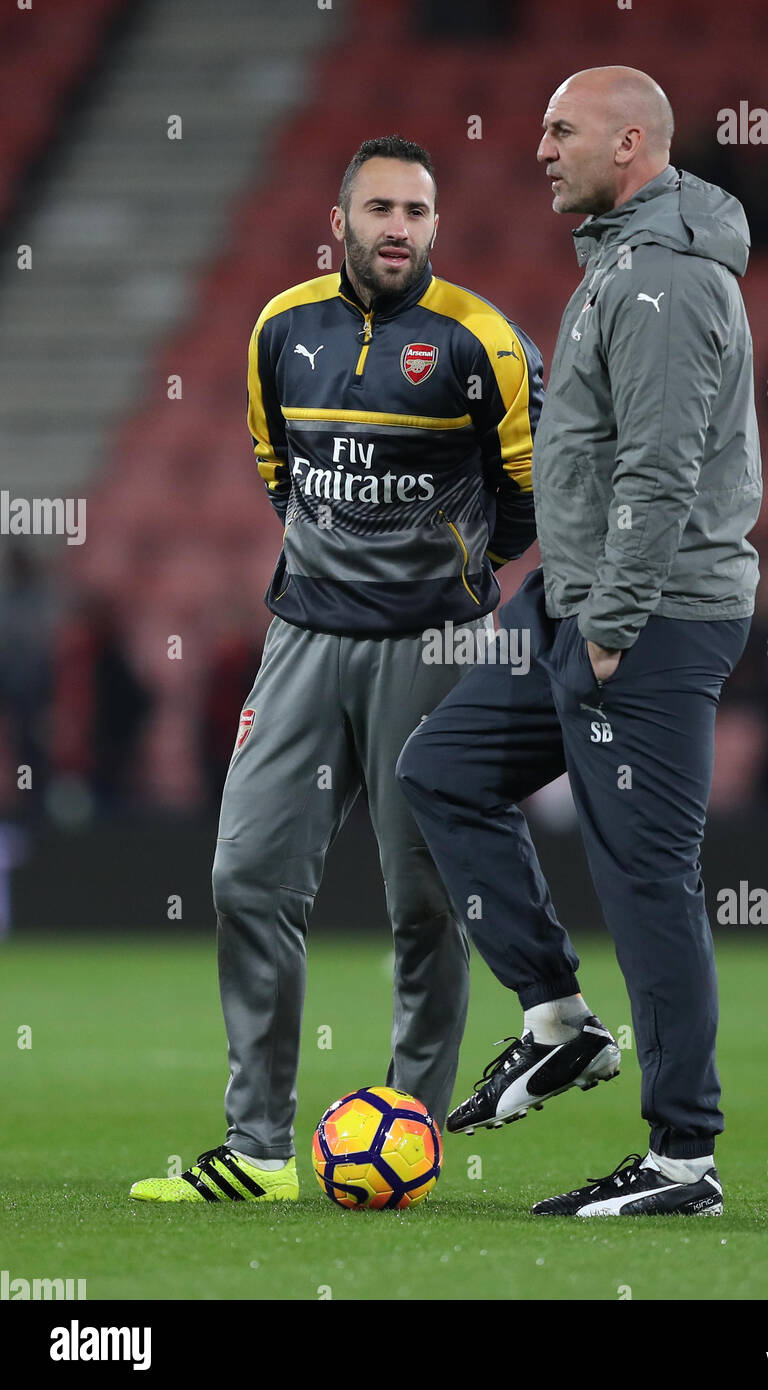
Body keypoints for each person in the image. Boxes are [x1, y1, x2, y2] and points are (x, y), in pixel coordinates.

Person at [131, 135, 543, 1204]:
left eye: (416, 210)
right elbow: (278, 466)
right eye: (380, 210)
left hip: (435, 647)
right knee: (246, 877)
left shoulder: (484, 341)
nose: (399, 228)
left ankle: (408, 1141)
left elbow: (530, 494)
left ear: (436, 227)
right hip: (305, 638)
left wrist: (449, 576)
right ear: (341, 223)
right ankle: (259, 1148)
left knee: (427, 903)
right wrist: (339, 571)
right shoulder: (282, 327)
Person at [398, 69, 762, 1218]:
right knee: (442, 772)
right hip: (578, 597)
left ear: (634, 141)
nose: (540, 147)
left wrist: (606, 627)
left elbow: (660, 470)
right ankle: (558, 1021)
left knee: (644, 876)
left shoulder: (660, 278)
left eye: (562, 130)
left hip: (643, 617)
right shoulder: (621, 258)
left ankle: (682, 1161)